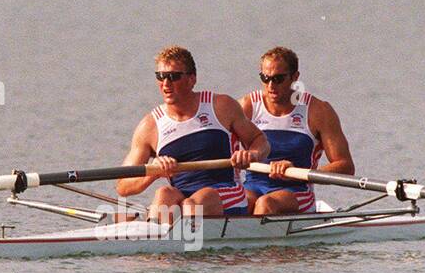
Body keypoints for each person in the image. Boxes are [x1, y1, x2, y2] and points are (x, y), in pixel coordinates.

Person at [116, 46, 268, 224]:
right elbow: (123, 186)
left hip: (225, 192)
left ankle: (180, 235)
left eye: (174, 76)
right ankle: (157, 238)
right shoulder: (149, 126)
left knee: (193, 203)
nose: (166, 83)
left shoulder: (221, 106)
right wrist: (154, 173)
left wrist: (252, 154)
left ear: (191, 79)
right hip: (184, 197)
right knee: (163, 194)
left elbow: (260, 141)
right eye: (161, 76)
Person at [239, 47, 355, 215]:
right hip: (253, 186)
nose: (271, 85)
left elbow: (345, 166)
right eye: (265, 78)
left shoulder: (318, 111)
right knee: (234, 205)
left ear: (295, 77)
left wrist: (297, 173)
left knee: (265, 204)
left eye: (278, 79)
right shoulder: (247, 106)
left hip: (296, 190)